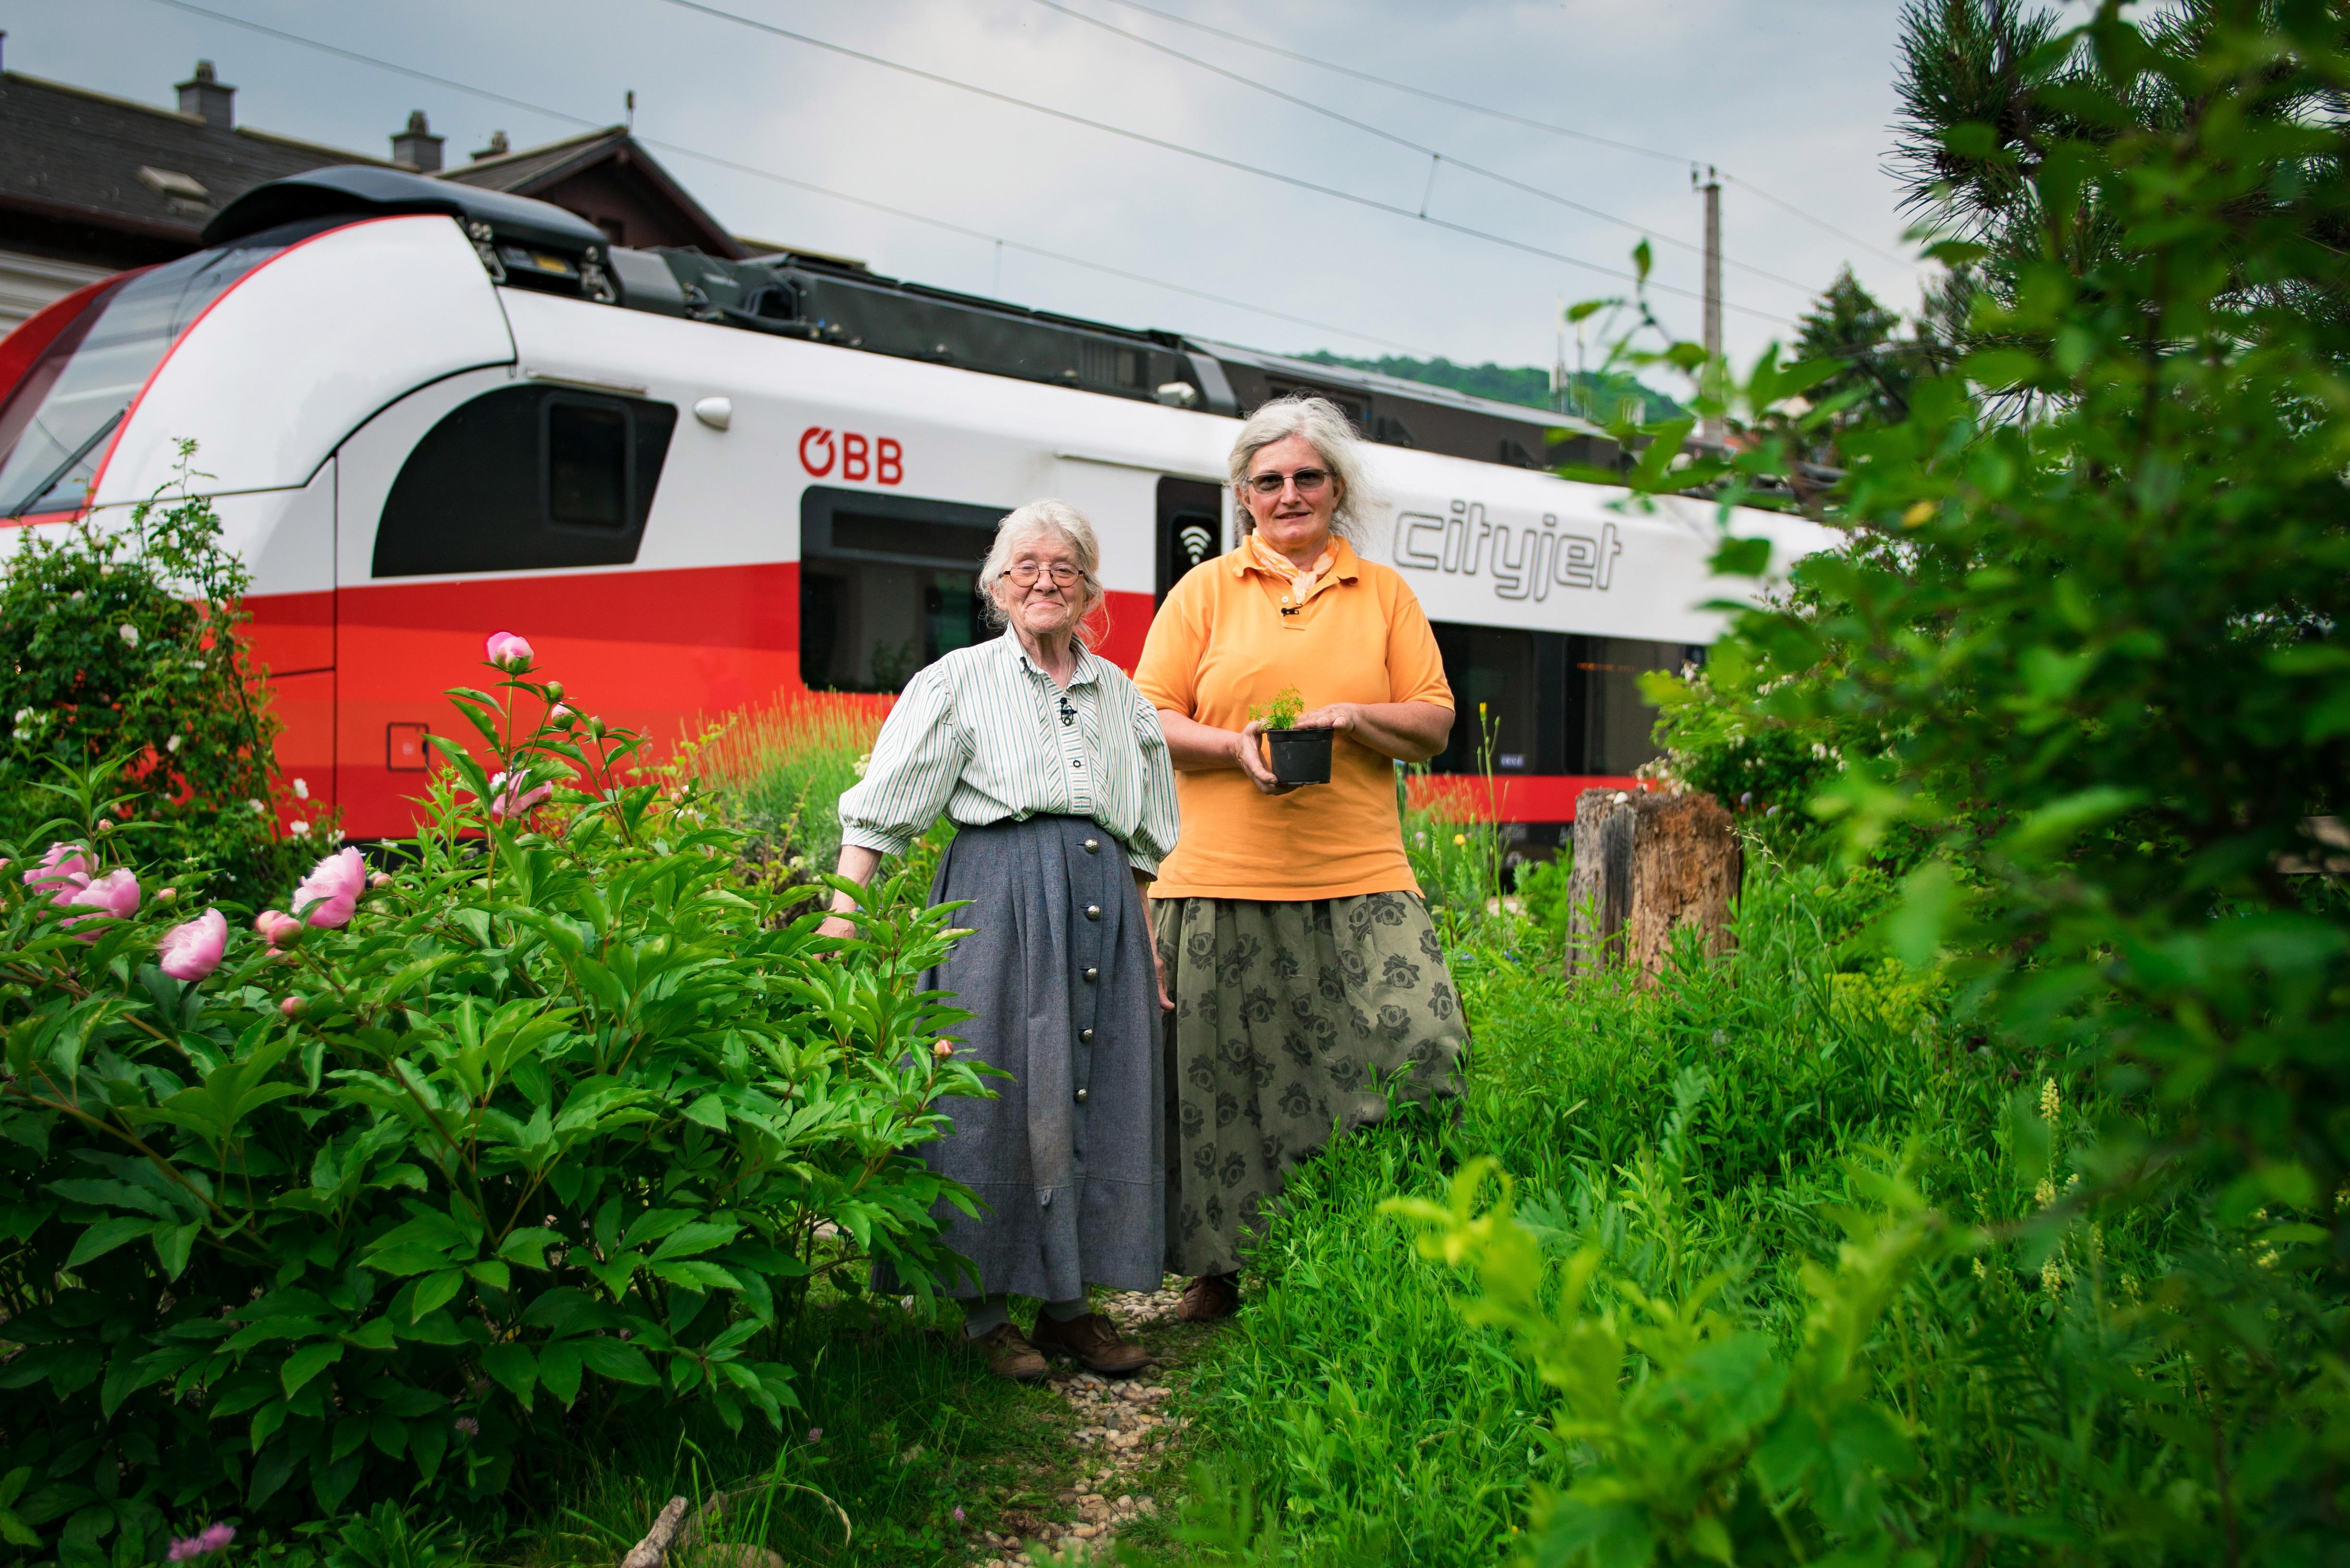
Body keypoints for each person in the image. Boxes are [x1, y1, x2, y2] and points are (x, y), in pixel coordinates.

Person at [824, 500, 1180, 1381]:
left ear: (1090, 589)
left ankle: (1067, 1308)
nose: (1043, 581)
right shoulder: (957, 680)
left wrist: (1150, 936)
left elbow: (1143, 833)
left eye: (1064, 567)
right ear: (994, 584)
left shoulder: (1122, 696)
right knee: (991, 1094)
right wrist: (843, 908)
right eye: (1025, 566)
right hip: (999, 898)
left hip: (1105, 903)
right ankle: (981, 1312)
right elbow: (887, 798)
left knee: (1091, 1095)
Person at [1133, 395, 1466, 1324]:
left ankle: (1390, 1237)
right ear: (1244, 495)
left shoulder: (1385, 592)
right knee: (1226, 1081)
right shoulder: (1201, 594)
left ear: (1336, 487)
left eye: (1307, 477)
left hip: (1362, 873)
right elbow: (1148, 720)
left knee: (1420, 1047)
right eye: (1270, 480)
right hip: (1216, 875)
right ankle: (1220, 1268)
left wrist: (1358, 718)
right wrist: (1234, 746)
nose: (1290, 494)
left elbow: (1436, 721)